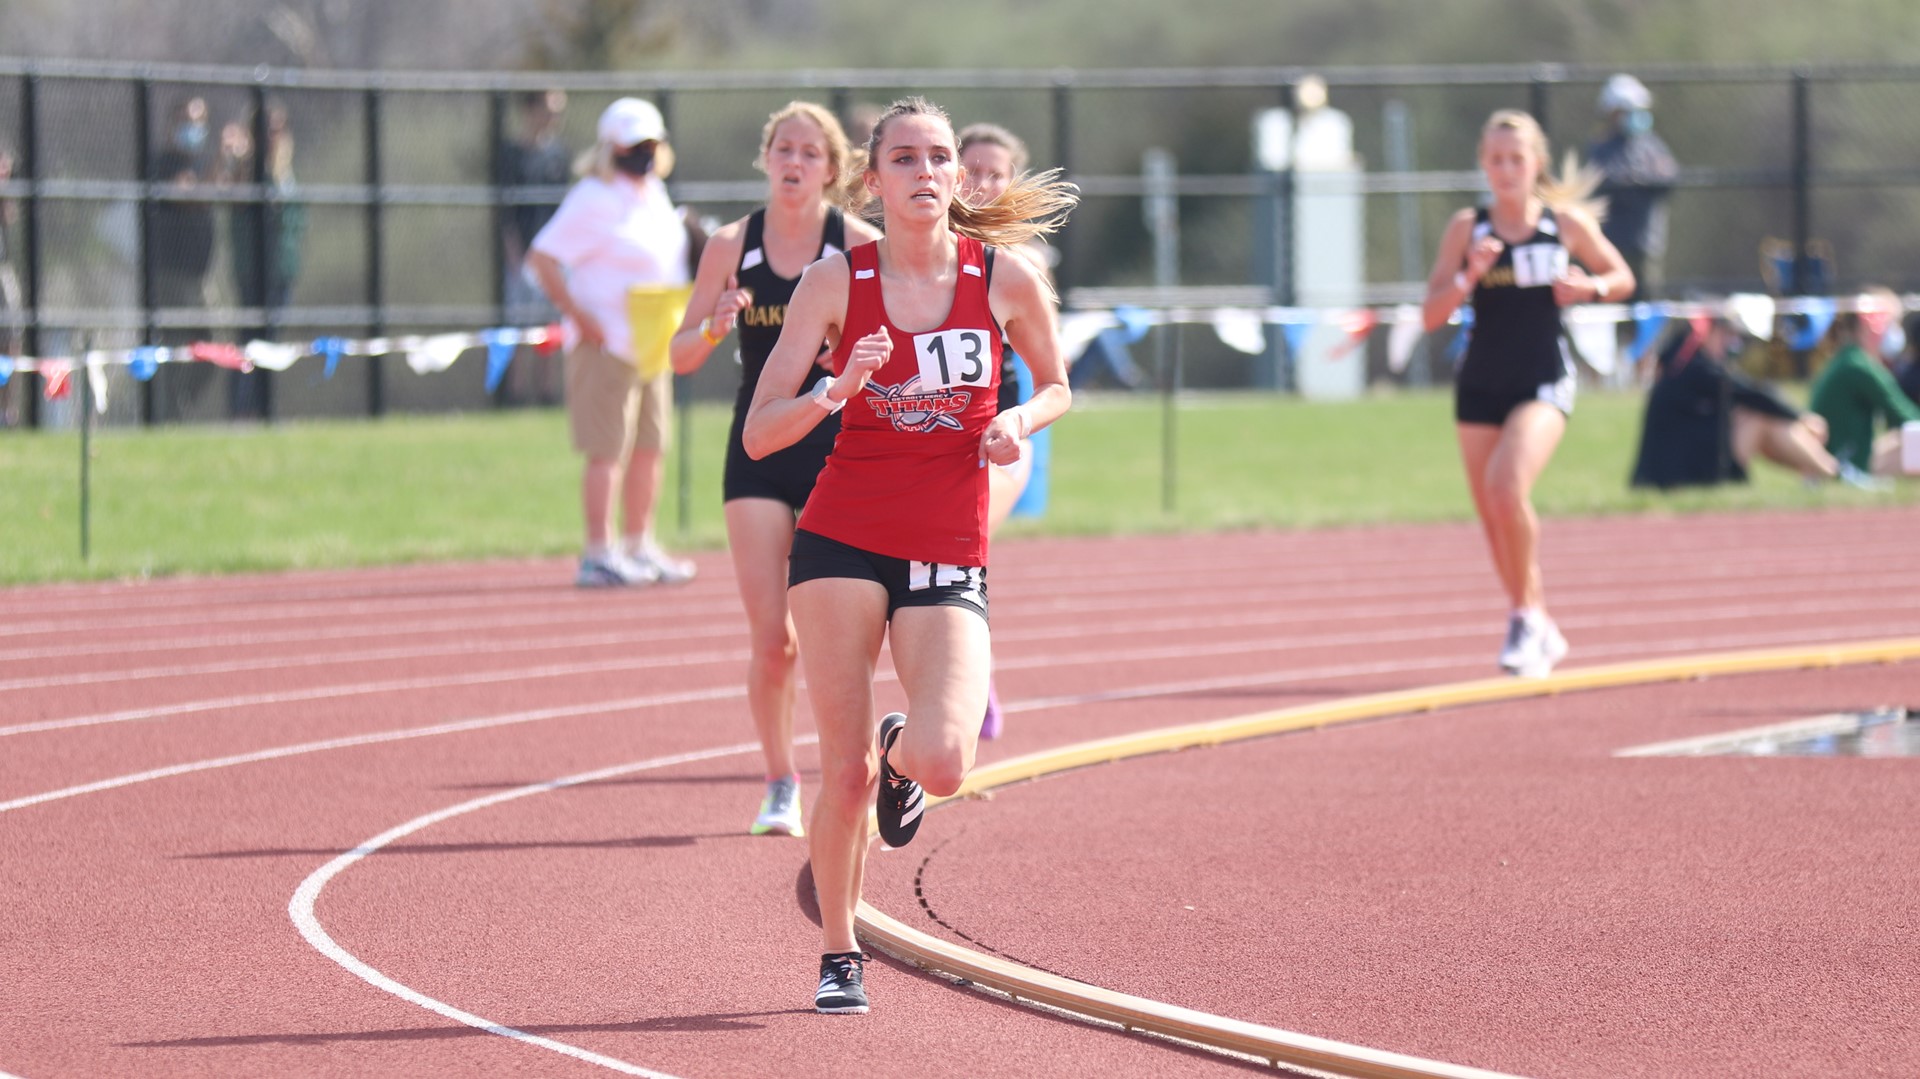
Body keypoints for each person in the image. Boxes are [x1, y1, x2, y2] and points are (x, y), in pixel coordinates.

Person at [741, 97, 1075, 1014]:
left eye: (938, 157)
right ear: (873, 179)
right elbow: (762, 431)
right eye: (905, 158)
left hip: (946, 543)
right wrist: (836, 388)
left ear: (957, 175)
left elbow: (1057, 385)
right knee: (841, 771)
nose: (925, 172)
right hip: (842, 538)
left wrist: (1017, 420)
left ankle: (902, 755)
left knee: (946, 760)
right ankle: (839, 948)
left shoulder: (1002, 277)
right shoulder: (833, 282)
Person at [668, 102, 882, 838]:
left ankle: (851, 770)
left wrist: (849, 353)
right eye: (783, 149)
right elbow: (678, 355)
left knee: (843, 634)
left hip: (835, 451)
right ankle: (780, 782)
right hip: (758, 450)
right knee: (773, 639)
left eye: (810, 153)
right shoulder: (732, 244)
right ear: (766, 159)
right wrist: (712, 326)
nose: (794, 162)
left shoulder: (856, 243)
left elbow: (895, 338)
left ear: (832, 169)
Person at [1422, 109, 1634, 678]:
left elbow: (1622, 277)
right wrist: (1468, 276)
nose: (1506, 169)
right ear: (1483, 165)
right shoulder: (1467, 228)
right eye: (1496, 159)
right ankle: (1534, 616)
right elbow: (1430, 314)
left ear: (1537, 163)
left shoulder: (1564, 225)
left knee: (1506, 486)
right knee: (1493, 514)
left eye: (1516, 158)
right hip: (1480, 382)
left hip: (1542, 377)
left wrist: (1588, 287)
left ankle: (1523, 618)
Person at [527, 97, 697, 588]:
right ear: (610, 147)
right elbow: (543, 258)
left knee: (650, 446)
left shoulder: (654, 193)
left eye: (650, 143)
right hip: (607, 344)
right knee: (607, 450)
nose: (643, 152)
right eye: (633, 144)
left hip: (653, 342)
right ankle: (598, 552)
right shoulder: (593, 197)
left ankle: (639, 544)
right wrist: (580, 317)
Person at [956, 121, 1048, 739]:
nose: (982, 184)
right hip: (927, 437)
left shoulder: (1020, 264)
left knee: (963, 548)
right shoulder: (913, 253)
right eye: (972, 171)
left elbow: (1052, 377)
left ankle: (970, 678)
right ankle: (963, 670)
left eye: (996, 174)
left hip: (1001, 440)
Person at [1630, 316, 1841, 489]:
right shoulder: (1697, 370)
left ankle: (1817, 473)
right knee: (1759, 418)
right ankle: (1832, 471)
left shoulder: (1679, 366)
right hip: (1683, 476)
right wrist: (1800, 417)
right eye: (1725, 335)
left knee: (1752, 415)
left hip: (1680, 469)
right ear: (1708, 333)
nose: (1728, 343)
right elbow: (1754, 393)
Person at [1808, 289, 1920, 479]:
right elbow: (1904, 417)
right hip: (1845, 463)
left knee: (1898, 441)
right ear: (1868, 328)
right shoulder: (1859, 365)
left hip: (1839, 455)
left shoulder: (1848, 358)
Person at [1586, 74, 1678, 303]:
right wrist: (1638, 182)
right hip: (1613, 242)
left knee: (1647, 303)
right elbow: (1607, 183)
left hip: (1647, 242)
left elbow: (1668, 176)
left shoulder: (1651, 144)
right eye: (1628, 110)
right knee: (1613, 304)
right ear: (1614, 113)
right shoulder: (1602, 148)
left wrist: (1635, 181)